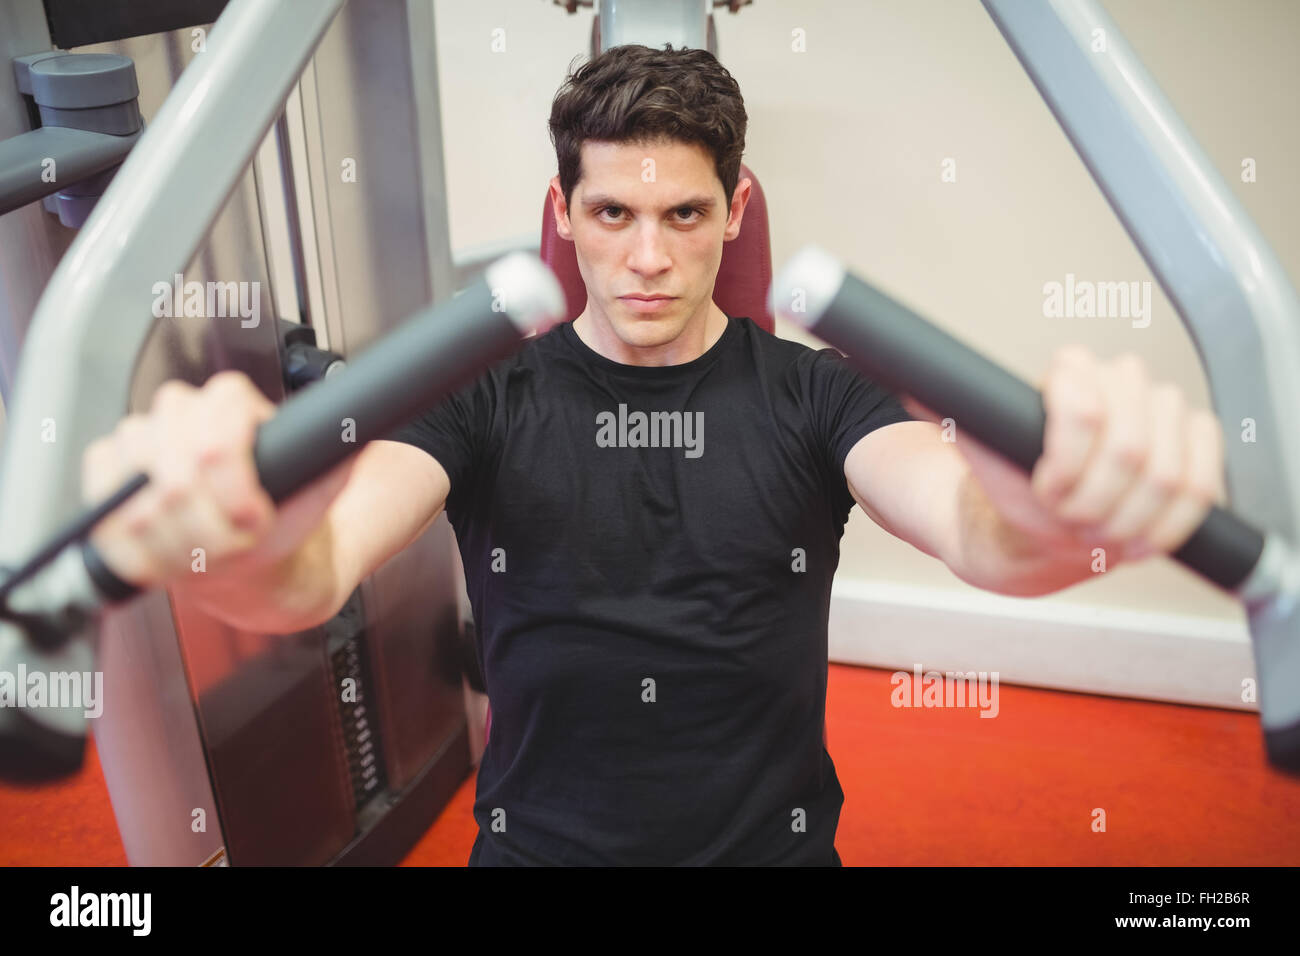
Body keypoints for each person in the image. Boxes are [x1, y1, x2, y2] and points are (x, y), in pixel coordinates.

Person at [82, 44, 1228, 865]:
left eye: (683, 215)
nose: (646, 257)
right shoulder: (483, 394)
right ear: (561, 210)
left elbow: (977, 534)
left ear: (737, 210)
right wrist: (229, 547)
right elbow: (315, 567)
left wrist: (1054, 516)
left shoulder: (817, 392)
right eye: (613, 214)